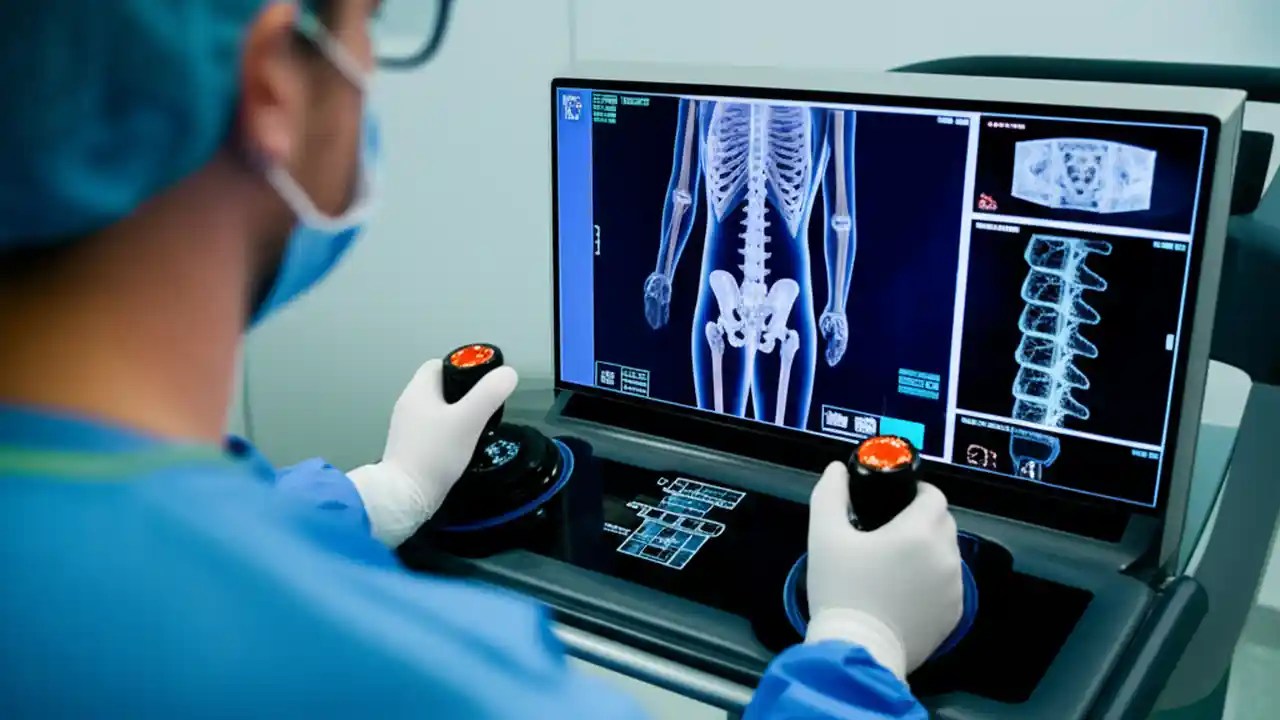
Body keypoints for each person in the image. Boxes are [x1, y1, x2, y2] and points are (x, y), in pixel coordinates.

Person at [0, 1, 964, 717]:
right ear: (271, 87)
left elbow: (158, 555)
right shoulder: (437, 684)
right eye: (371, 21)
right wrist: (858, 650)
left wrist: (380, 493)